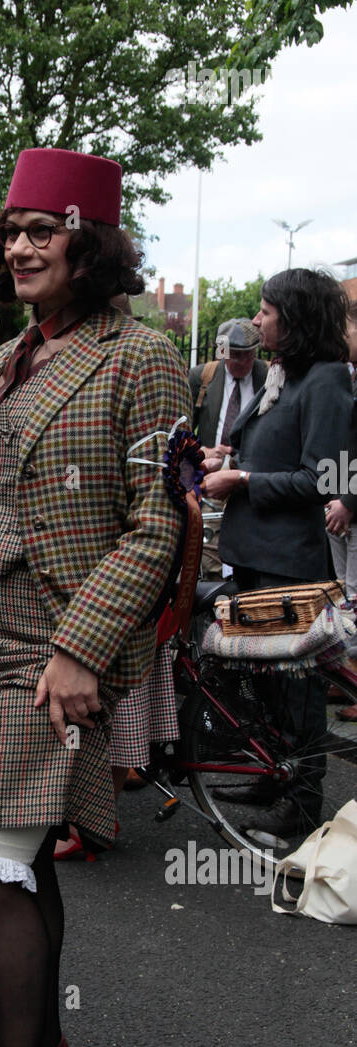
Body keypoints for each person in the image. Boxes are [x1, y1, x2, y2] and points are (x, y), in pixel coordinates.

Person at [0, 147, 190, 1047]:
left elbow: (159, 521)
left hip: (50, 652)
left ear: (91, 244)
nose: (23, 244)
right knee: (20, 861)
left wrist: (82, 647)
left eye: (47, 228)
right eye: (13, 229)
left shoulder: (144, 355)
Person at [204, 268, 354, 839]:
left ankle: (302, 805)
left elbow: (321, 479)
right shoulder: (282, 376)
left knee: (298, 692)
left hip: (290, 563)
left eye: (266, 310)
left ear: (293, 318)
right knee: (267, 683)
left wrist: (241, 479)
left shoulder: (326, 380)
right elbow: (265, 450)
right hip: (255, 553)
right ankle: (274, 774)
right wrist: (227, 457)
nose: (257, 318)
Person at [325, 298, 357, 721]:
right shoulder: (347, 374)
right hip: (342, 495)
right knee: (345, 593)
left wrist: (348, 502)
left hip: (351, 500)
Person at [189, 319, 268, 451]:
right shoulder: (201, 377)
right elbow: (183, 432)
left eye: (248, 355)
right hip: (211, 467)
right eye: (236, 355)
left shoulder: (268, 377)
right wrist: (201, 453)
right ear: (223, 351)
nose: (242, 362)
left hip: (251, 469)